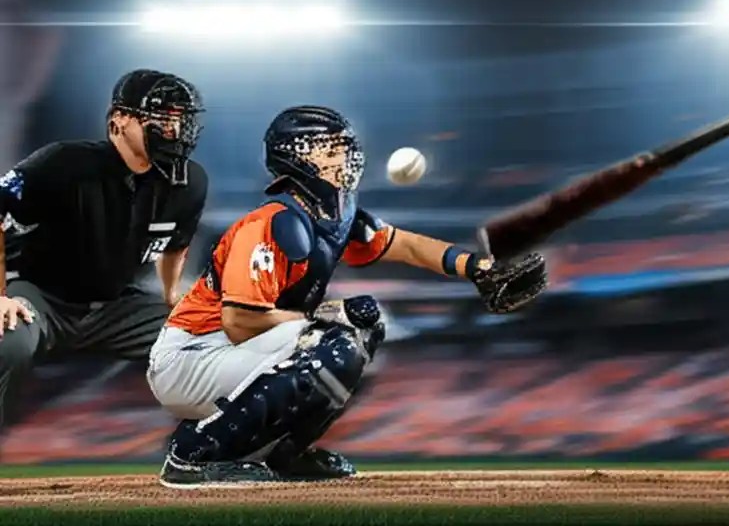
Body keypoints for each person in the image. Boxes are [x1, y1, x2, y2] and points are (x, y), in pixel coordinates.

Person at [148, 105, 547, 488]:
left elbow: (403, 245)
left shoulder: (332, 214)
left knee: (363, 332)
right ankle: (192, 455)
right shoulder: (269, 224)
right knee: (335, 342)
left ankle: (286, 454)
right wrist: (320, 316)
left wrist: (475, 268)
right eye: (333, 147)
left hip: (232, 352)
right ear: (299, 156)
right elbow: (238, 322)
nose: (347, 155)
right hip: (193, 353)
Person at [0, 69, 206, 428]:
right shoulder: (60, 162)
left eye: (178, 120)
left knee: (202, 333)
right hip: (39, 299)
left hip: (117, 307)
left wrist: (173, 293)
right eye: (160, 119)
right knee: (8, 342)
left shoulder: (189, 182)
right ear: (118, 121)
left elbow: (177, 244)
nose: (172, 130)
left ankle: (203, 449)